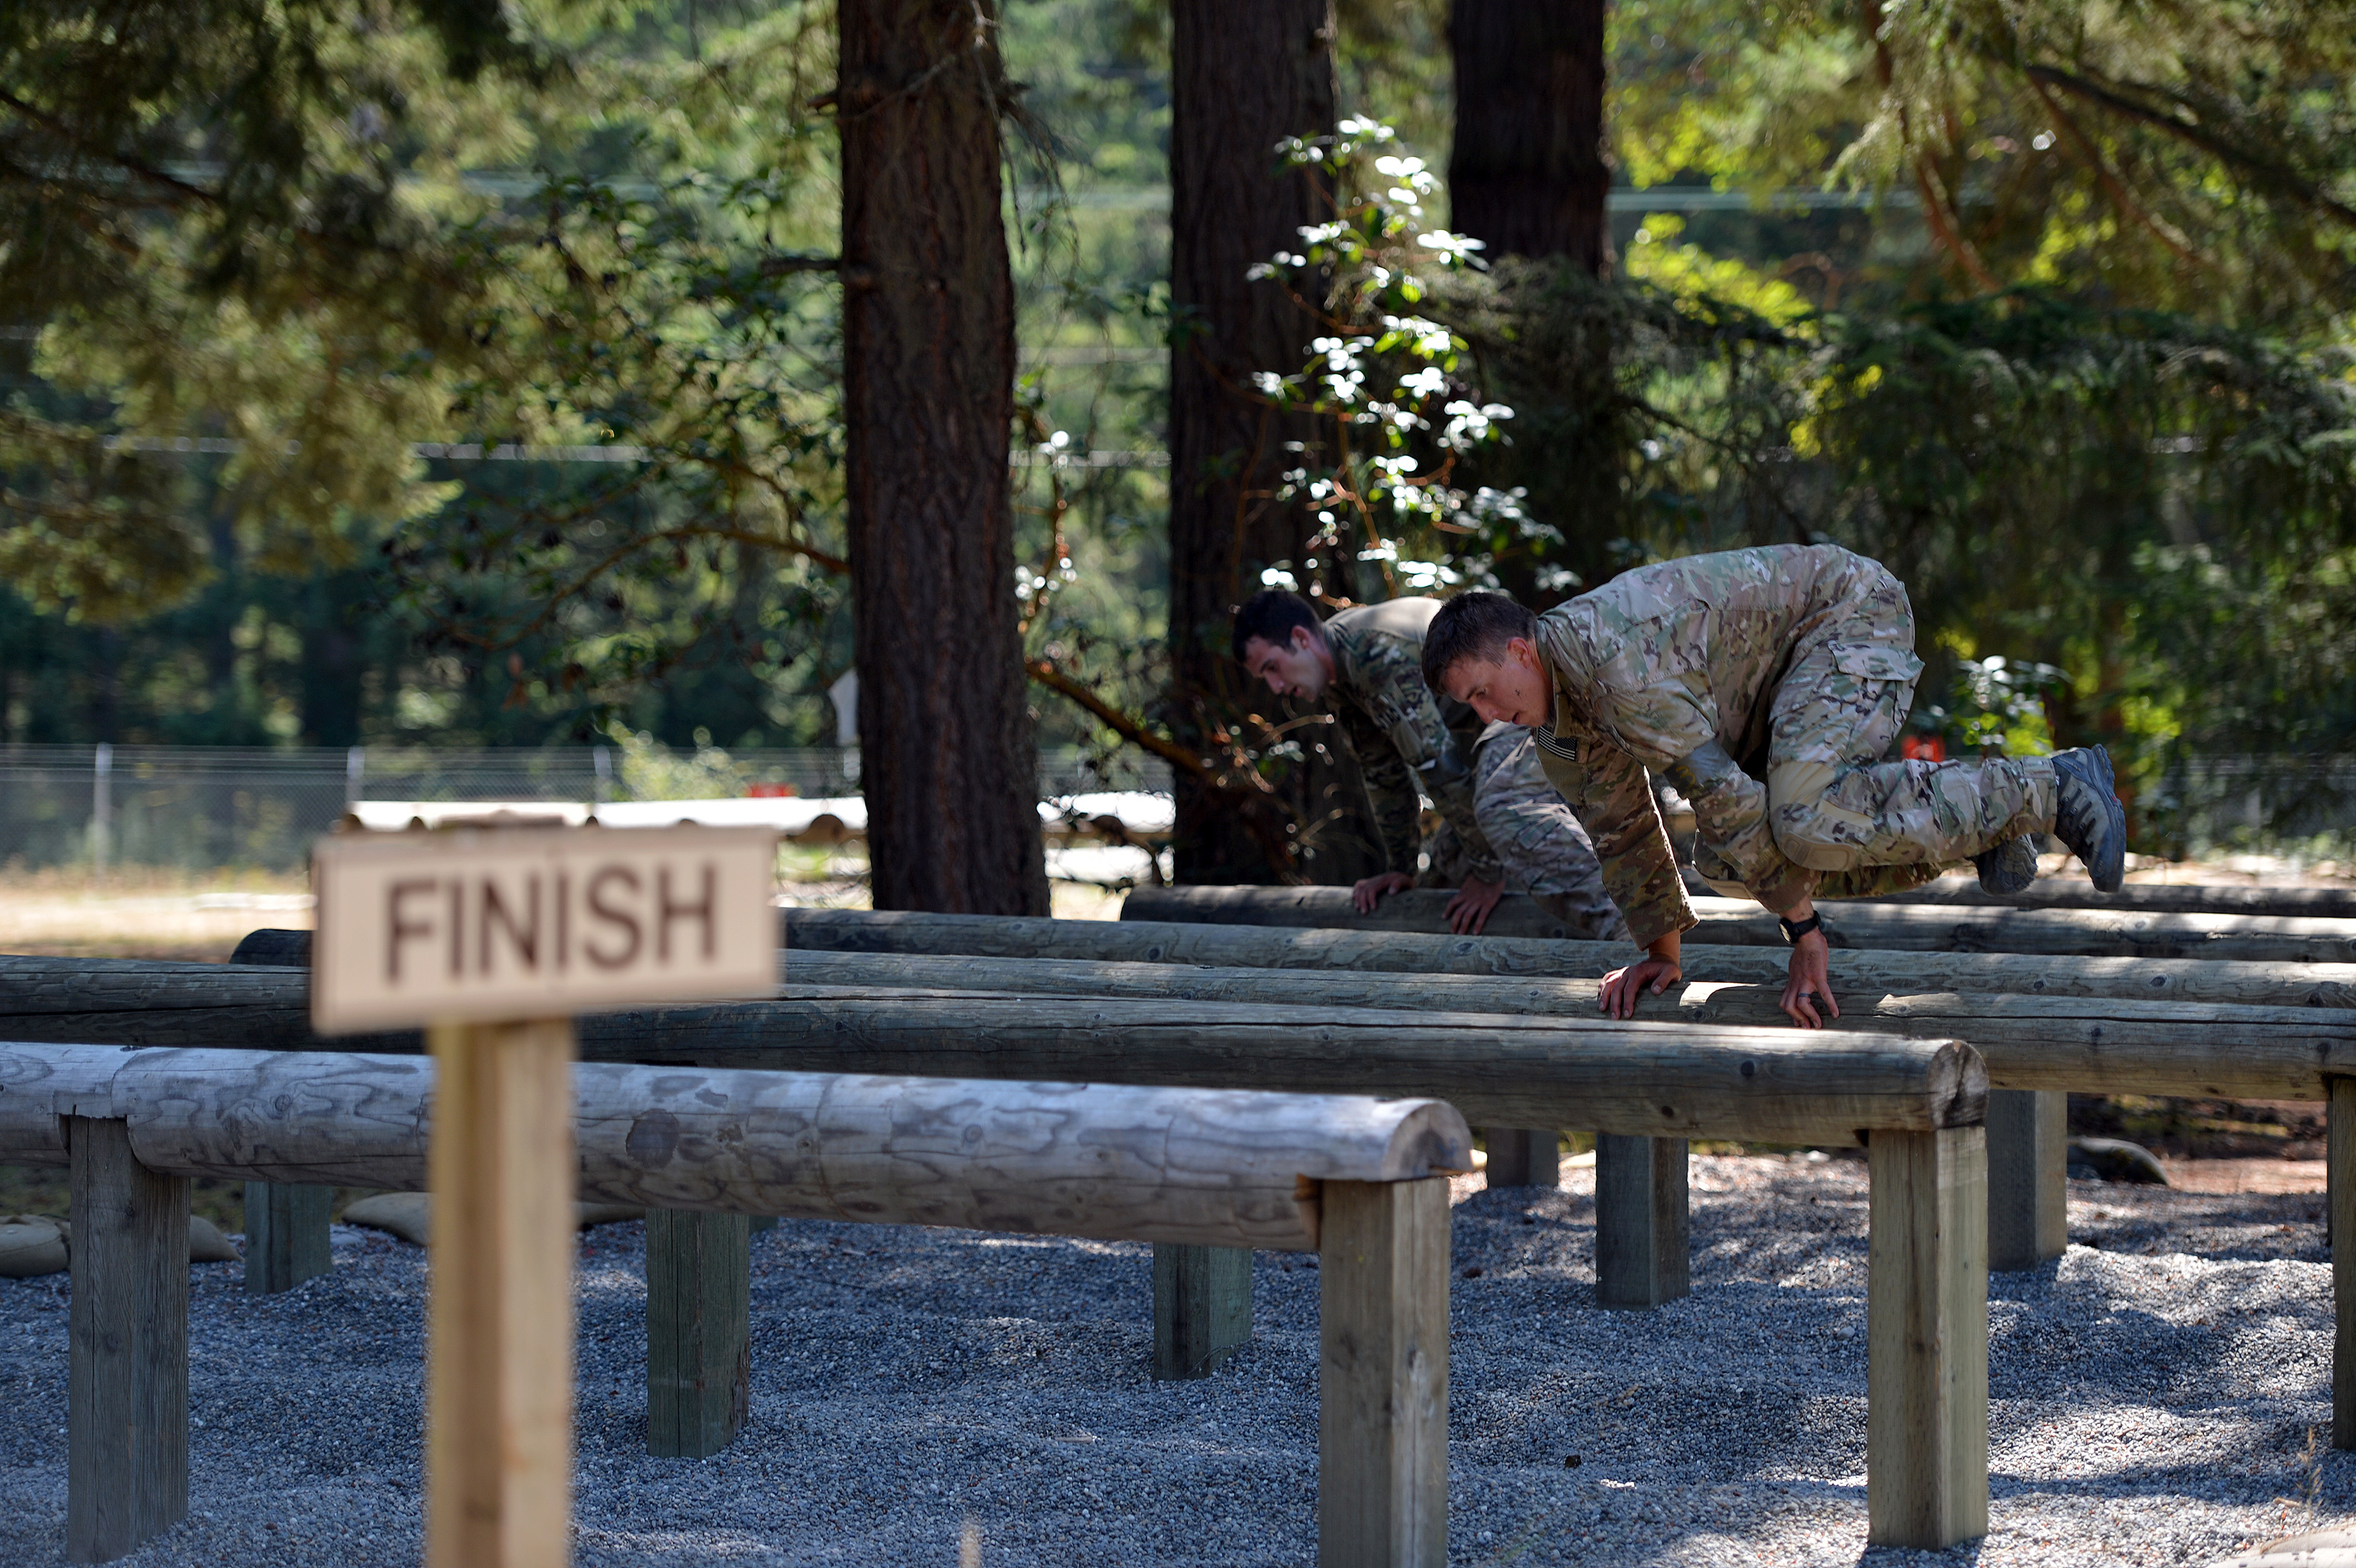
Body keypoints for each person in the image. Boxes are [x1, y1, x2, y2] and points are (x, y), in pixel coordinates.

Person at [1419, 544, 2128, 1026]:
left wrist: (1805, 933)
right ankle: (1983, 823)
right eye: (1471, 708)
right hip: (1779, 685)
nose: (1486, 716)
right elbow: (1623, 828)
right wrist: (1661, 956)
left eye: (1484, 692)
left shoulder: (1611, 665)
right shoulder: (1556, 720)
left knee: (1798, 818)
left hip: (1846, 612)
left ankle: (2050, 785)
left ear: (1519, 650)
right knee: (1729, 863)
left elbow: (1722, 795)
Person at [1233, 590, 1625, 938]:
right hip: (1495, 727)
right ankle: (1539, 939)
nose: (1277, 687)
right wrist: (1401, 868)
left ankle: (1624, 928)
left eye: (1272, 668)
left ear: (1301, 639)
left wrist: (1487, 874)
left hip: (1527, 705)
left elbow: (1440, 768)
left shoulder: (1372, 652)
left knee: (1502, 808)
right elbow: (1383, 776)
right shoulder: (1338, 679)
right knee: (1451, 854)